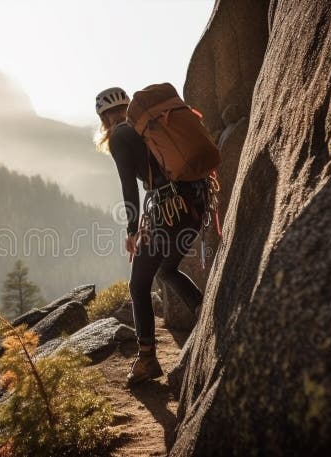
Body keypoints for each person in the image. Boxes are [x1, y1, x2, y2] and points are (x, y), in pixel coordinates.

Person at [95, 87, 207, 384]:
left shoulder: (119, 136)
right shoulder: (146, 129)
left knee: (138, 285)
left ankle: (147, 360)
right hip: (195, 202)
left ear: (104, 118)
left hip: (167, 211)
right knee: (166, 268)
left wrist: (132, 229)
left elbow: (128, 187)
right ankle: (204, 311)